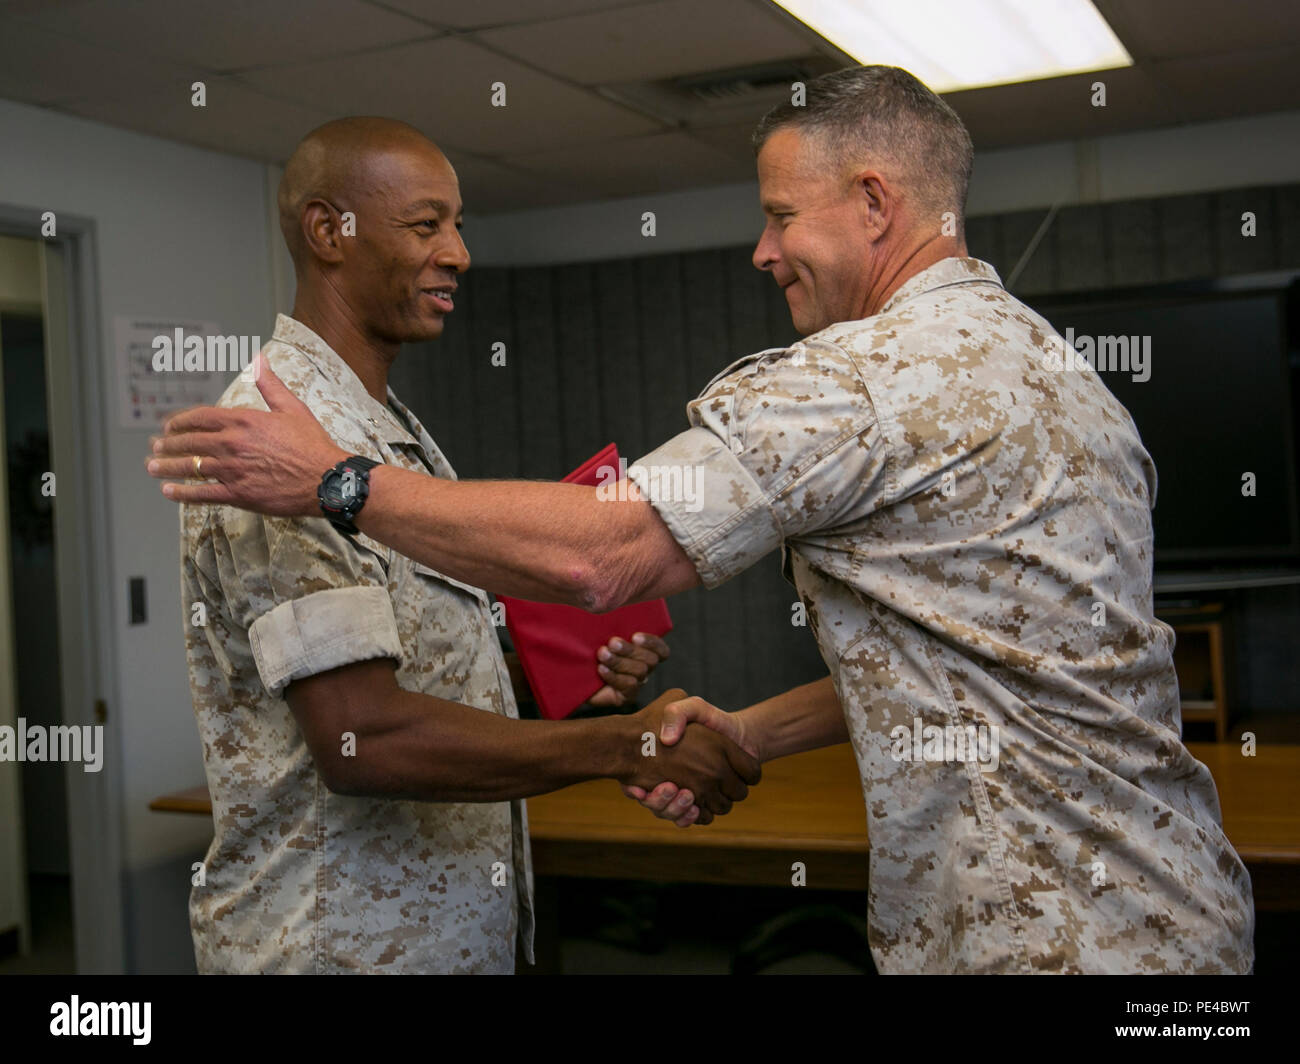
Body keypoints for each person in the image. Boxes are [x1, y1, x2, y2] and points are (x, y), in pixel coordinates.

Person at [148, 68, 1254, 974]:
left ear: (873, 204)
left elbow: (605, 552)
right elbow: (981, 656)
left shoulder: (868, 377)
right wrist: (734, 734)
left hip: (1036, 945)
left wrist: (341, 484)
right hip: (1172, 919)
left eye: (779, 217)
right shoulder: (1058, 372)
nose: (763, 253)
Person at [168, 116, 760, 974]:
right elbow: (360, 738)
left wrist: (556, 682)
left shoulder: (379, 434)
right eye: (426, 225)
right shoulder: (277, 442)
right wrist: (620, 743)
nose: (459, 254)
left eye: (459, 225)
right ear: (329, 230)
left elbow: (417, 675)